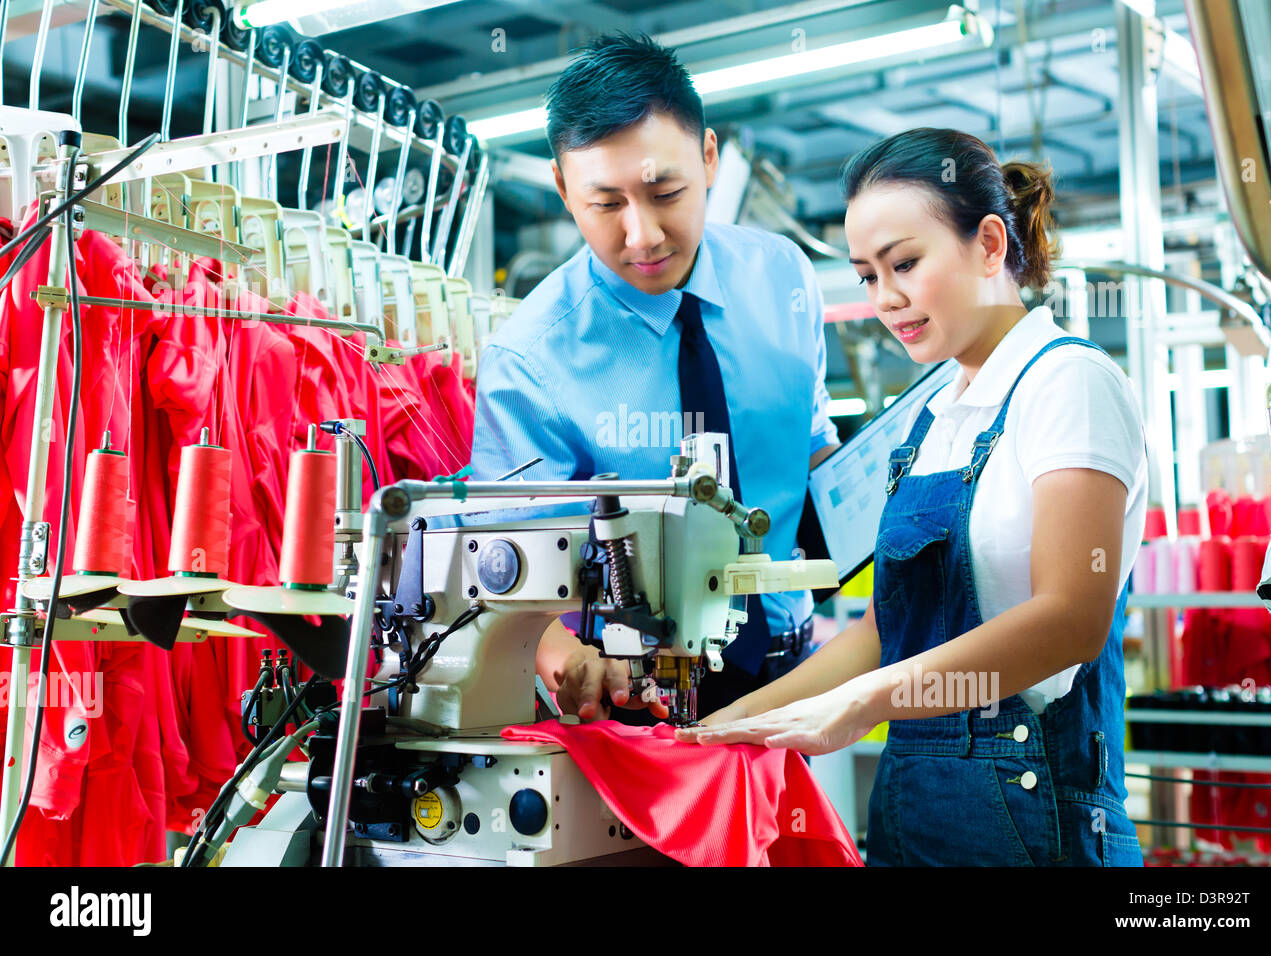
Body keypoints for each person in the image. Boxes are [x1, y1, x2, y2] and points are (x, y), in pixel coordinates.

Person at [677, 127, 1149, 868]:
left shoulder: (1070, 385)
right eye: (867, 275)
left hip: (1037, 820)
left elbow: (1069, 622)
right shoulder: (933, 421)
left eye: (905, 263)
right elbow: (883, 631)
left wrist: (866, 704)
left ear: (990, 244)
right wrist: (737, 719)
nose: (885, 299)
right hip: (913, 819)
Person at [470, 33, 840, 724]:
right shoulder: (530, 359)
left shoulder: (784, 277)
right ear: (561, 188)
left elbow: (812, 450)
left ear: (708, 158)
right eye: (605, 204)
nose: (641, 235)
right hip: (635, 696)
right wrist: (565, 660)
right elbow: (505, 572)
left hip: (792, 672)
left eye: (665, 191)